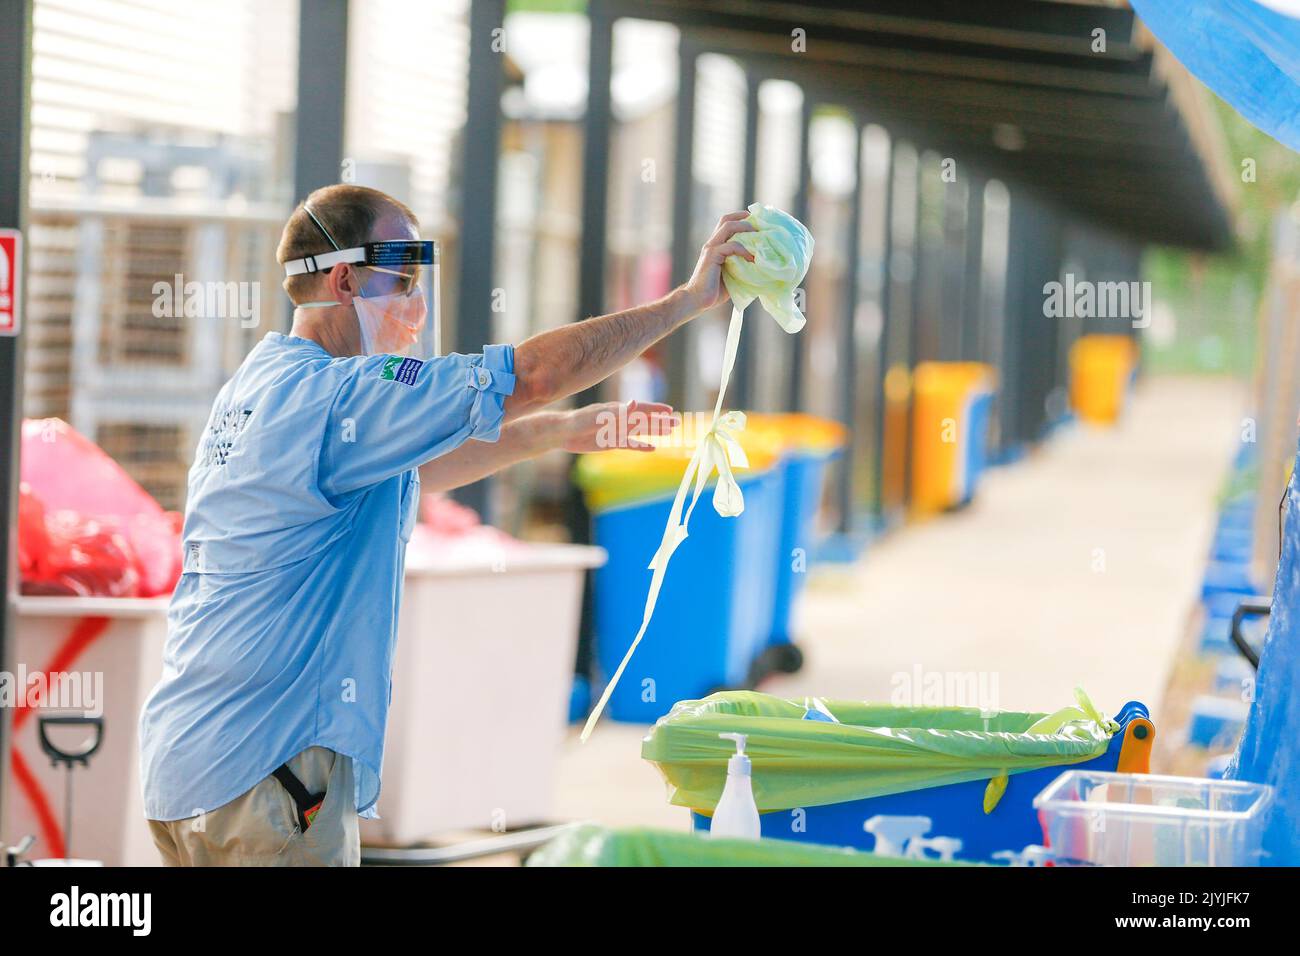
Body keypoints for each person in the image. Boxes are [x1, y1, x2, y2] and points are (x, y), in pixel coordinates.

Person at [138, 183, 754, 865]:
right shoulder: (338, 395)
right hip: (269, 777)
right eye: (402, 280)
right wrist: (687, 302)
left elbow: (414, 472)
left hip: (186, 767)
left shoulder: (257, 388)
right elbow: (537, 374)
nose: (417, 306)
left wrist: (559, 432)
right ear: (344, 280)